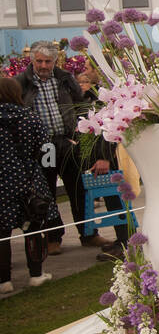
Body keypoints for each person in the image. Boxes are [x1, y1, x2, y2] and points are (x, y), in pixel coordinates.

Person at [17, 41, 110, 254]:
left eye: (47, 61)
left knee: (77, 188)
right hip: (42, 146)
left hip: (67, 141)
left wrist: (80, 133)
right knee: (47, 191)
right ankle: (53, 237)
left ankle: (88, 234)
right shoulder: (22, 82)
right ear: (32, 60)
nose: (43, 65)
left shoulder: (64, 79)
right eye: (39, 61)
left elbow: (81, 107)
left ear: (54, 61)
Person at [0, 77, 52, 292]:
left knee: (2, 233)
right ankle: (36, 274)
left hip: (2, 183)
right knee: (33, 227)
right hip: (28, 180)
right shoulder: (30, 118)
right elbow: (47, 149)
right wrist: (44, 169)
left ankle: (4, 281)